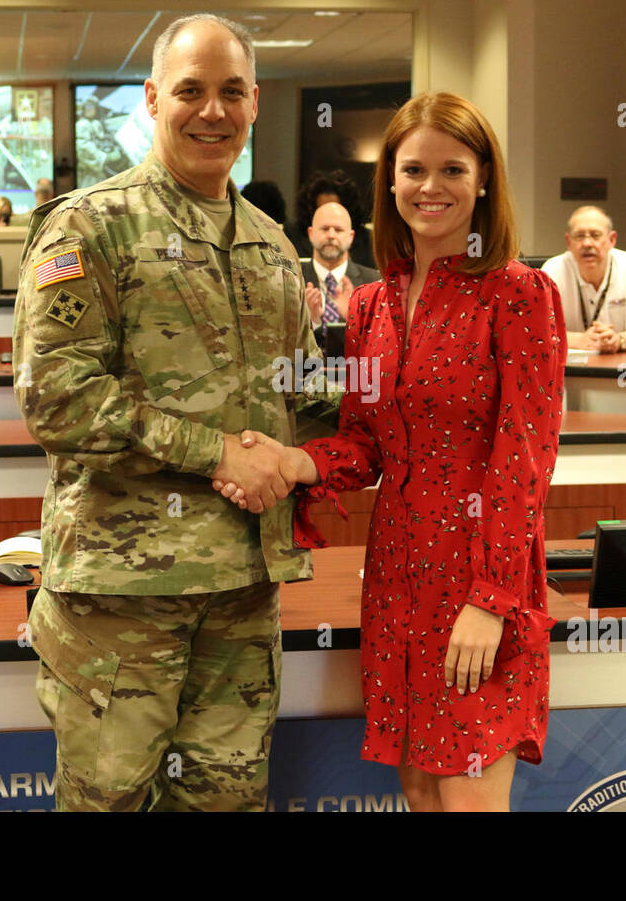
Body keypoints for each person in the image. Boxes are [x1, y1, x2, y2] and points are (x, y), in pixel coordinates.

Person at [13, 13, 336, 812]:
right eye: (191, 90)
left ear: (256, 102)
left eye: (232, 91)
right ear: (153, 98)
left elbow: (306, 395)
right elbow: (58, 397)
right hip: (119, 599)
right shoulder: (89, 225)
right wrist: (218, 453)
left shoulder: (272, 245)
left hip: (242, 591)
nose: (212, 111)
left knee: (227, 801)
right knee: (109, 802)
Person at [218, 91, 566, 811]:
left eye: (452, 170)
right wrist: (296, 462)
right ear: (391, 183)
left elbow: (524, 463)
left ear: (484, 181)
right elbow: (365, 445)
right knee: (419, 792)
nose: (431, 187)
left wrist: (492, 602)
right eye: (414, 170)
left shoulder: (519, 294)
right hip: (397, 578)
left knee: (467, 798)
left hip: (479, 583)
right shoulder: (372, 306)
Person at [542, 206, 626, 352]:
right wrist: (579, 340)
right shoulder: (552, 271)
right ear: (569, 242)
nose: (587, 243)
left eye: (595, 235)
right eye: (579, 236)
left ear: (611, 239)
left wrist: (618, 340)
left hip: (623, 361)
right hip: (571, 364)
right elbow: (540, 330)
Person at [301, 201, 381, 355]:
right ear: (311, 234)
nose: (331, 235)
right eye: (325, 229)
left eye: (338, 230)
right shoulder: (294, 280)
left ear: (351, 237)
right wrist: (311, 323)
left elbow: (381, 346)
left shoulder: (374, 282)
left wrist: (353, 321)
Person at [291, 169, 375, 267]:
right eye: (323, 208)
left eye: (335, 208)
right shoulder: (293, 235)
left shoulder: (366, 240)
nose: (331, 235)